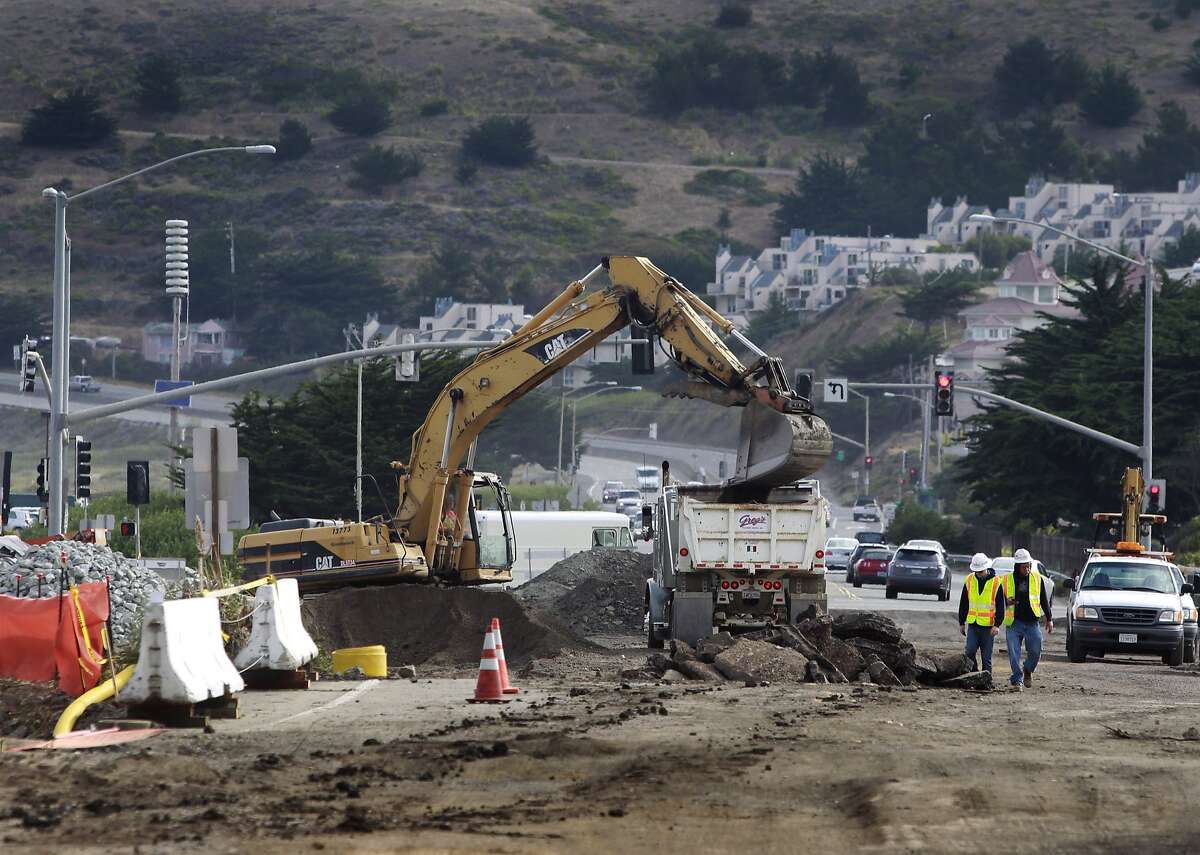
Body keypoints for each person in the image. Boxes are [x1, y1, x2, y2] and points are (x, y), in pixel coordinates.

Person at [999, 548, 1053, 691]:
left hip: (1032, 622)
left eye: (1029, 565)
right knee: (1013, 652)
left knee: (1036, 651)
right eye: (1024, 566)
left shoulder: (1037, 578)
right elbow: (997, 599)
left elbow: (1043, 599)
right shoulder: (1005, 580)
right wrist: (1006, 601)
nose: (1027, 568)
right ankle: (1017, 680)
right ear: (1017, 566)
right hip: (1014, 622)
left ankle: (1028, 669)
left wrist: (1049, 618)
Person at [958, 552, 1004, 680]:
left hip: (988, 627)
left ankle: (987, 681)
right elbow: (964, 603)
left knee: (986, 657)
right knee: (970, 652)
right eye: (977, 571)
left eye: (981, 571)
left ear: (986, 568)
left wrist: (997, 625)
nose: (979, 573)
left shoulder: (996, 582)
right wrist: (961, 622)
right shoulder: (969, 580)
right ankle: (975, 675)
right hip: (973, 624)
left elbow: (1001, 606)